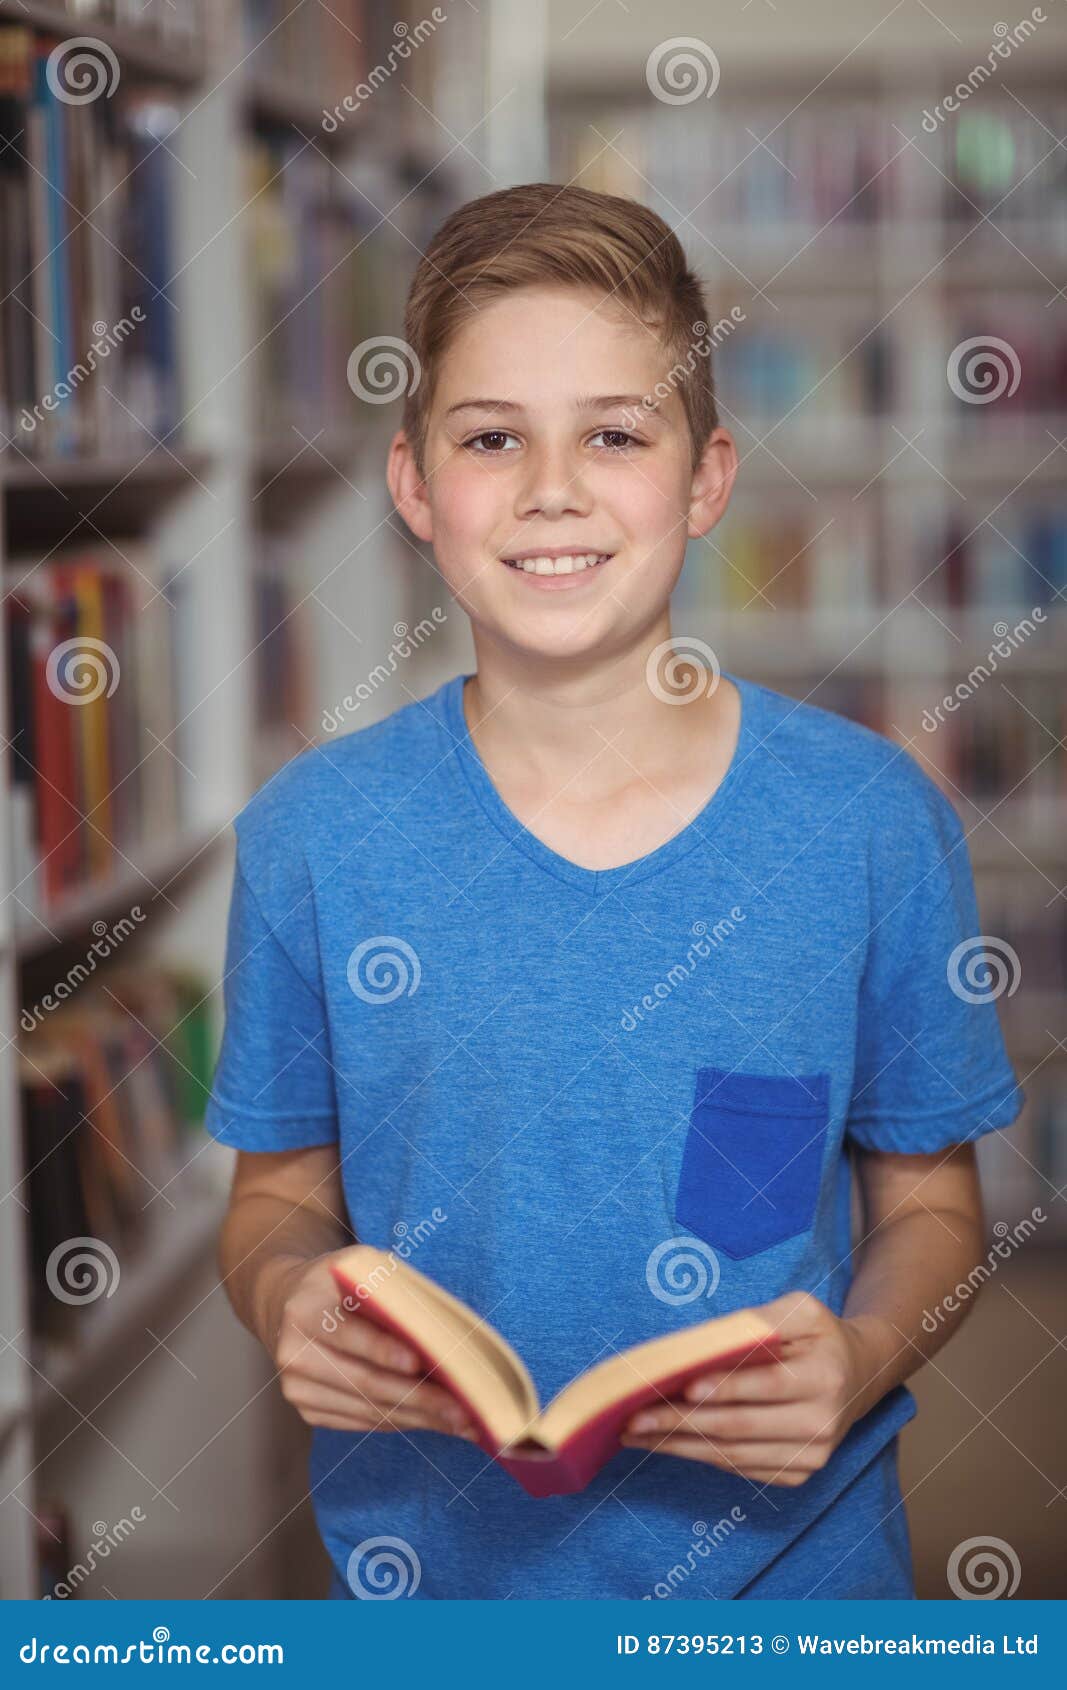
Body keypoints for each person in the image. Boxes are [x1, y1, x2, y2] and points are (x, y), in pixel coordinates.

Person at [205, 183, 1024, 1600]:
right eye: (490, 439)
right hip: (434, 1588)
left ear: (706, 478)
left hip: (797, 1591)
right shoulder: (312, 837)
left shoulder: (868, 822)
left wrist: (861, 1354)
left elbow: (935, 1211)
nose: (552, 490)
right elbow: (275, 1199)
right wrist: (286, 1295)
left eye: (614, 435)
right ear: (413, 483)